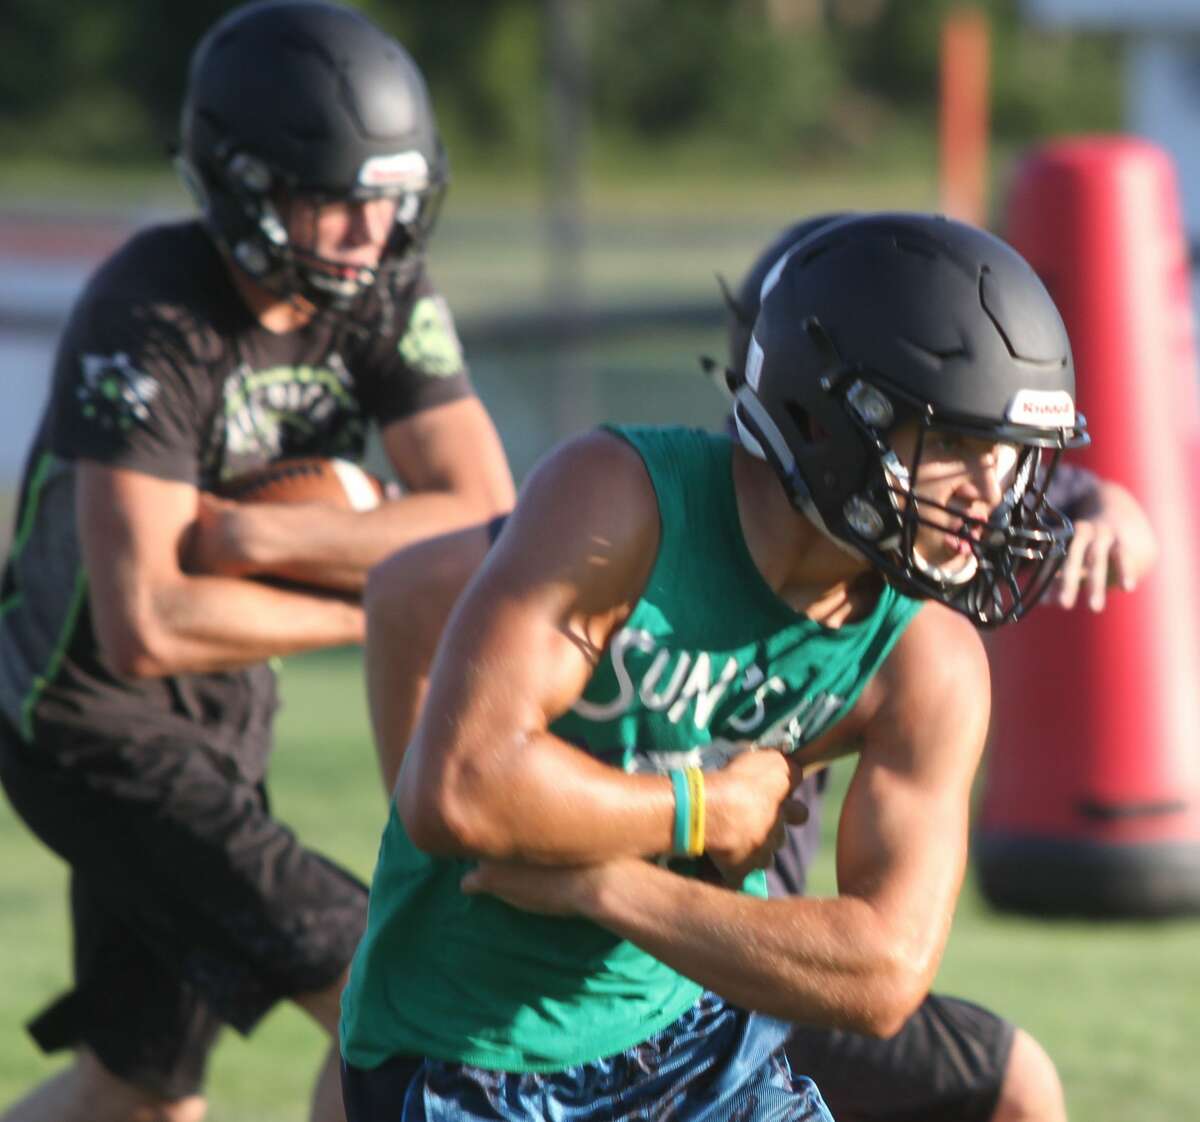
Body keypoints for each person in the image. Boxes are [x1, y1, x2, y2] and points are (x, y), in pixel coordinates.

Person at [339, 212, 1090, 1122]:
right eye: (959, 444)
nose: (992, 494)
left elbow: (883, 971)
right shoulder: (619, 500)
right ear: (828, 418)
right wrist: (708, 810)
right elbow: (461, 788)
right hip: (467, 1051)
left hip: (700, 1039)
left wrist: (603, 884)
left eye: (1010, 455)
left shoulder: (928, 656)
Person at [0, 4, 514, 1122]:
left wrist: (254, 538)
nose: (370, 233)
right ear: (245, 189)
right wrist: (379, 600)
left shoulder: (381, 291)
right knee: (391, 994)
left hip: (229, 720)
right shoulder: (150, 313)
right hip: (91, 728)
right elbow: (146, 621)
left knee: (135, 1095)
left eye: (391, 199)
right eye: (338, 200)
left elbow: (483, 515)